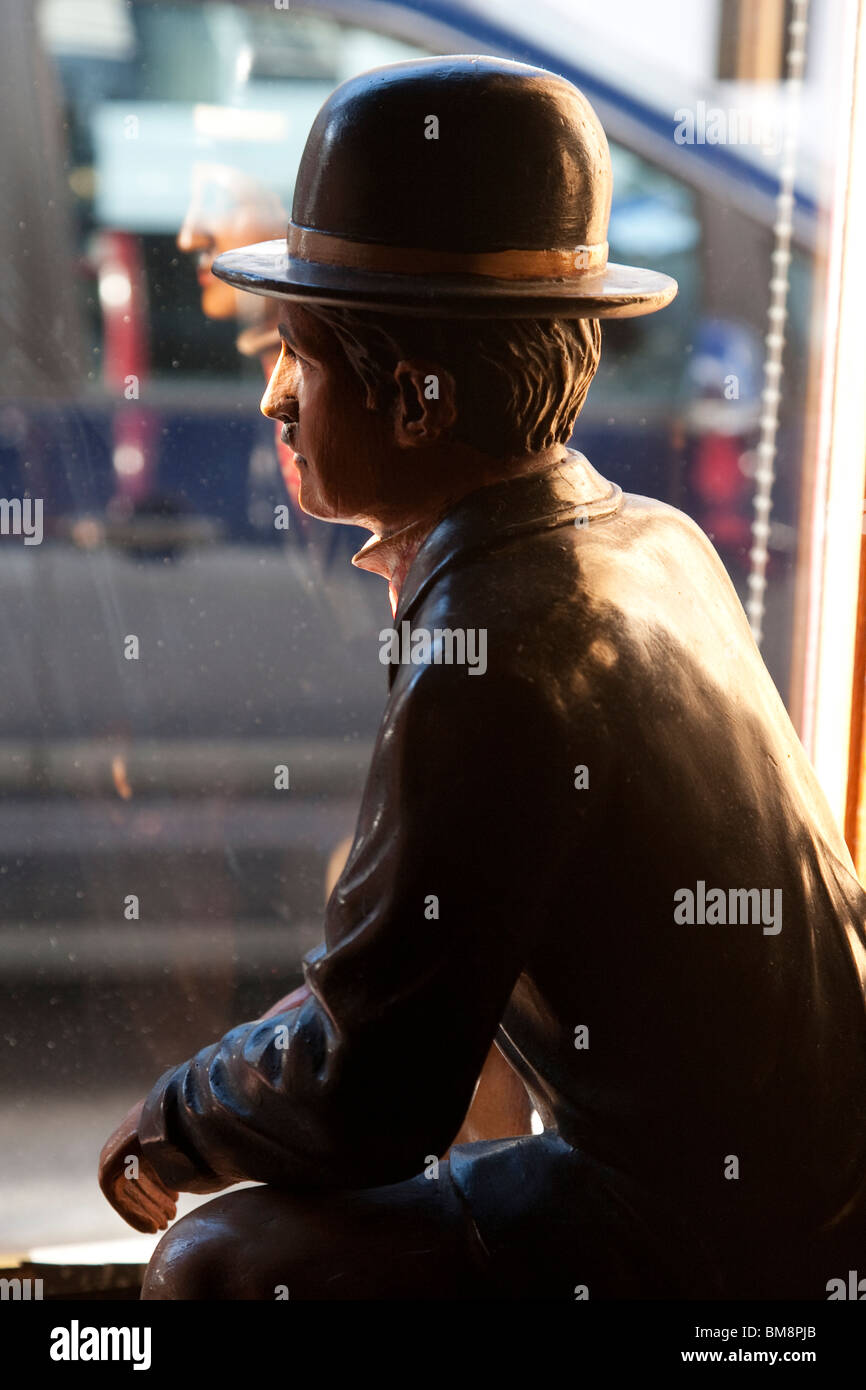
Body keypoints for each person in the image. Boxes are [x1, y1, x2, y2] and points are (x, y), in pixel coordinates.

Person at [99, 55, 866, 1300]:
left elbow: (371, 1088)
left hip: (726, 1245)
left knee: (218, 1268)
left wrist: (176, 1115)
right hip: (812, 1188)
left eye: (298, 351)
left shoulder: (497, 643)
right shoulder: (653, 540)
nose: (270, 396)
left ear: (413, 396)